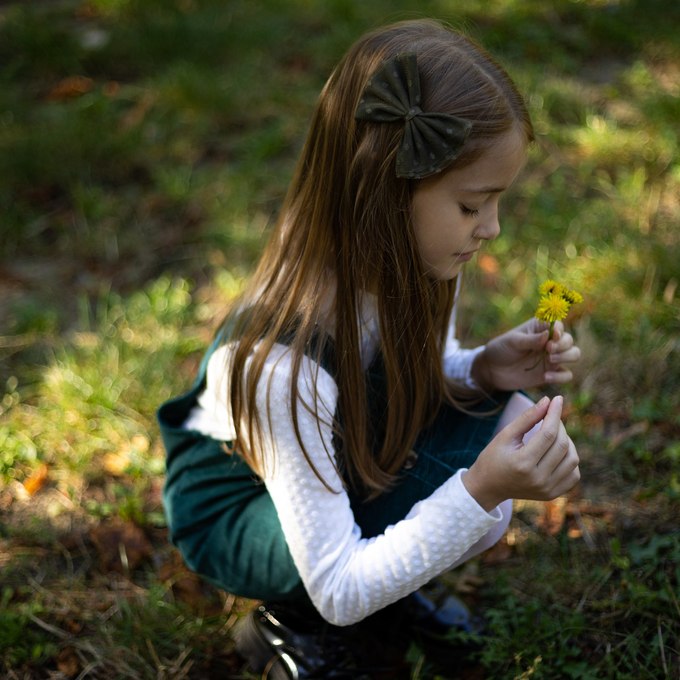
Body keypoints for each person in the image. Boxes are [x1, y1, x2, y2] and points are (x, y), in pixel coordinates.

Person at [158, 18, 582, 679]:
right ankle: (285, 623)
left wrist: (481, 368)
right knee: (457, 500)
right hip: (242, 503)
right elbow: (337, 581)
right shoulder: (285, 368)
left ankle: (395, 583)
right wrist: (477, 491)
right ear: (387, 194)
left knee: (496, 417)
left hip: (341, 437)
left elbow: (402, 368)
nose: (492, 228)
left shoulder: (419, 255)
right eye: (473, 205)